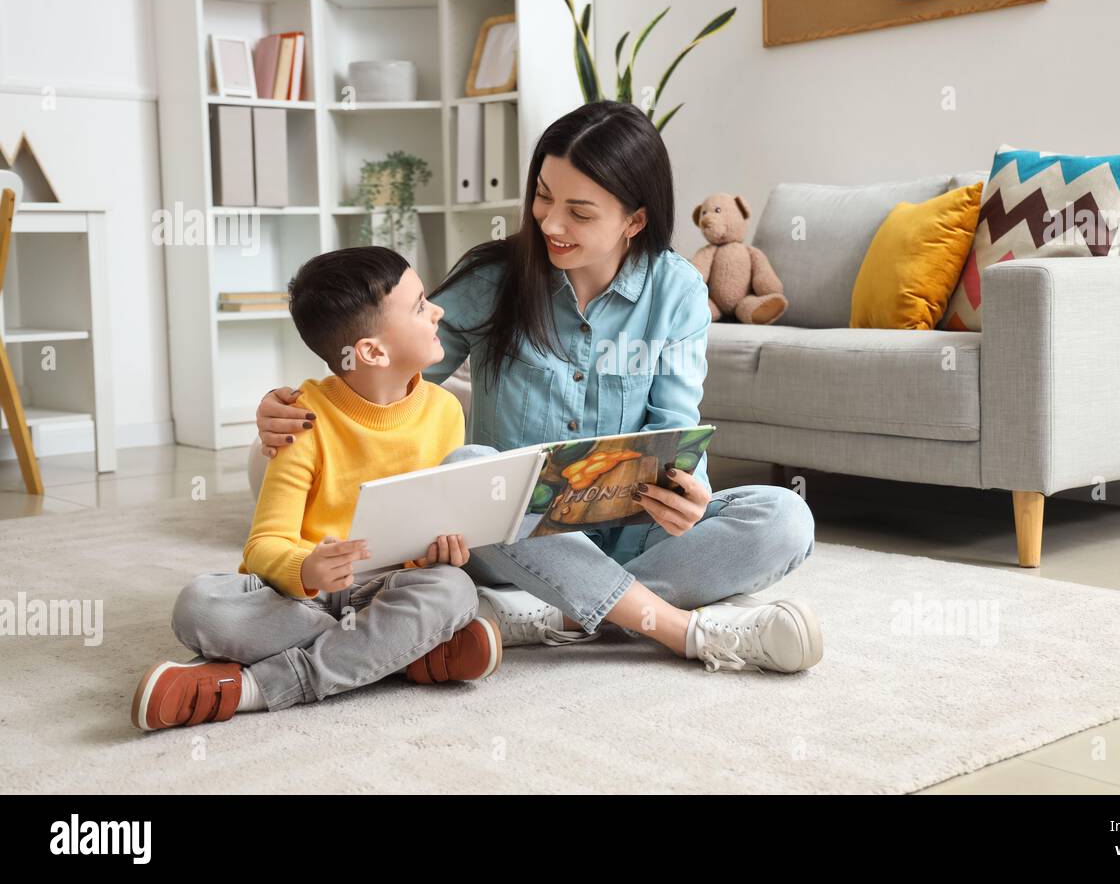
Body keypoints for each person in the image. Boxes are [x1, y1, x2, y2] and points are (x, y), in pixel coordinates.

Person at [254, 100, 822, 674]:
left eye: (579, 211)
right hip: (509, 545)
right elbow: (383, 376)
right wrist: (293, 408)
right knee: (472, 464)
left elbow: (674, 426)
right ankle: (674, 627)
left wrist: (690, 494)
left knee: (784, 516)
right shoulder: (494, 280)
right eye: (544, 196)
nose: (550, 222)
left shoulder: (675, 291)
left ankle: (553, 615)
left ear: (635, 220)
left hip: (634, 537)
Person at [132, 247, 502, 731]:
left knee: (454, 591)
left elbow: (437, 525)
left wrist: (445, 551)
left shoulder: (445, 410)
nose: (438, 312)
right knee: (197, 606)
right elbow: (264, 544)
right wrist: (305, 567)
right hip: (299, 600)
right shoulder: (302, 419)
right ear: (371, 351)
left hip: (392, 589)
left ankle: (256, 688)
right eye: (419, 306)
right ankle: (390, 652)